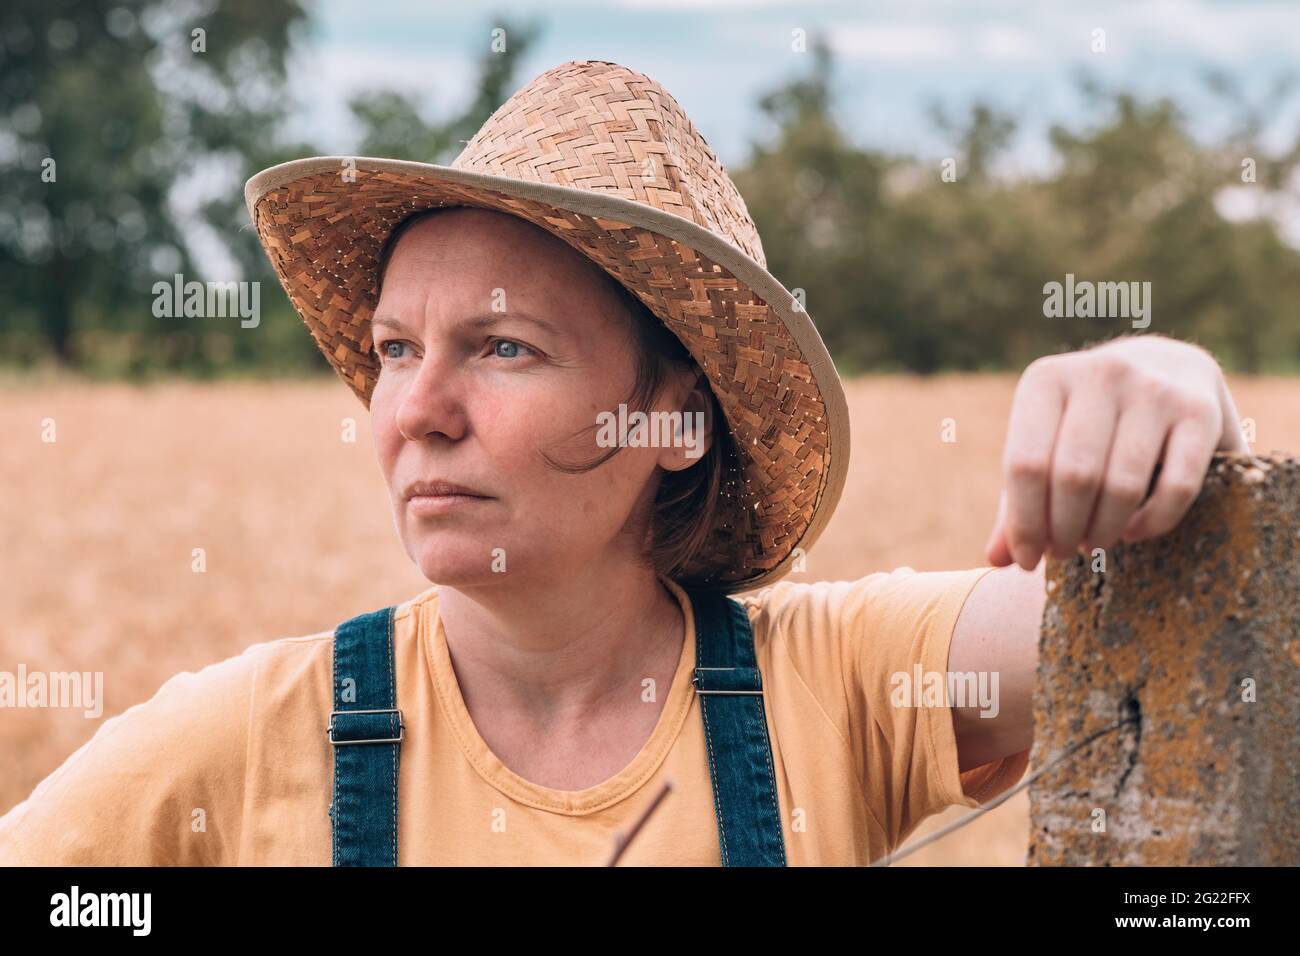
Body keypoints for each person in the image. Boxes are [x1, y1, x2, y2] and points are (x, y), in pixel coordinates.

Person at [0, 60, 1247, 866]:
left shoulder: (841, 682)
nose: (416, 410)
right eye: (392, 348)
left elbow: (1211, 628)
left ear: (677, 419)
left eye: (502, 346)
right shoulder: (247, 741)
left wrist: (1189, 404)